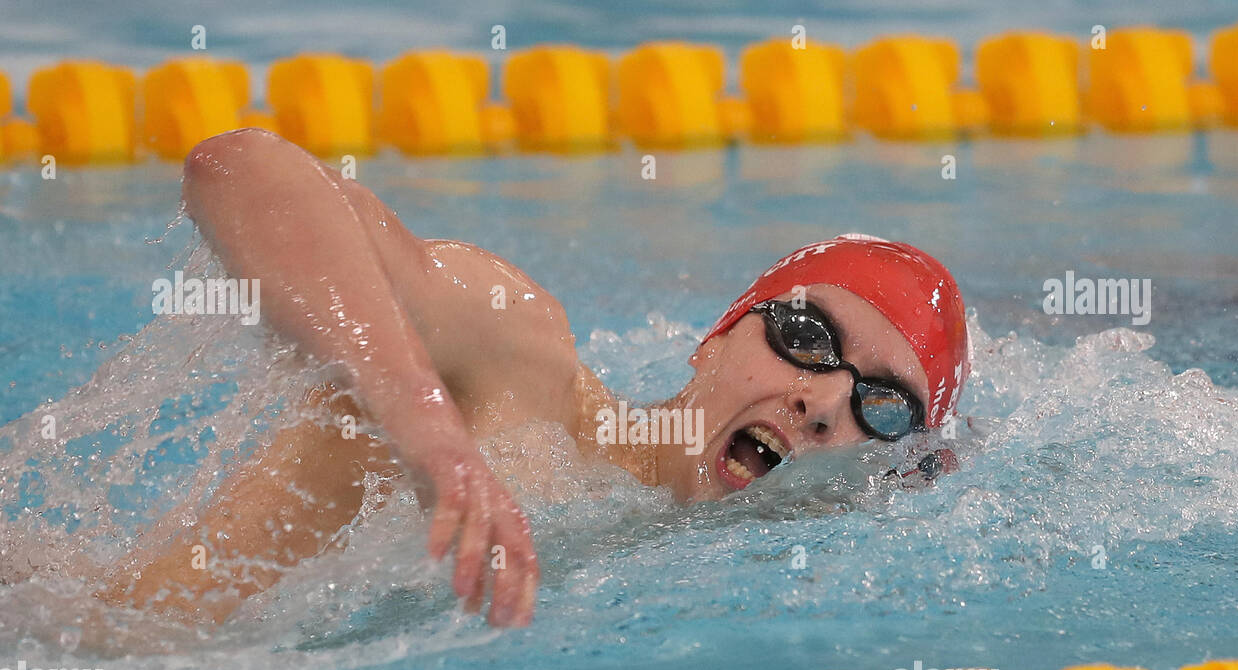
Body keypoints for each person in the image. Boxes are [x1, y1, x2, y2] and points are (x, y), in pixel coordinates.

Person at [98, 128, 969, 631]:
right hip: (92, 648)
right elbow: (239, 169)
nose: (822, 402)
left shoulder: (731, 597)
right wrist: (429, 425)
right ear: (715, 338)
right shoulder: (518, 363)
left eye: (882, 407)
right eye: (807, 335)